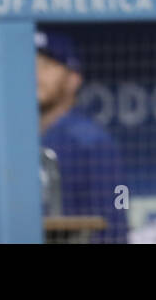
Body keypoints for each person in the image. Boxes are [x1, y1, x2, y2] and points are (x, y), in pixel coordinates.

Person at [34, 29, 128, 243]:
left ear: (73, 79)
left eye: (46, 65)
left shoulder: (91, 142)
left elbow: (113, 225)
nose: (34, 74)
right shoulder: (10, 141)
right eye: (29, 65)